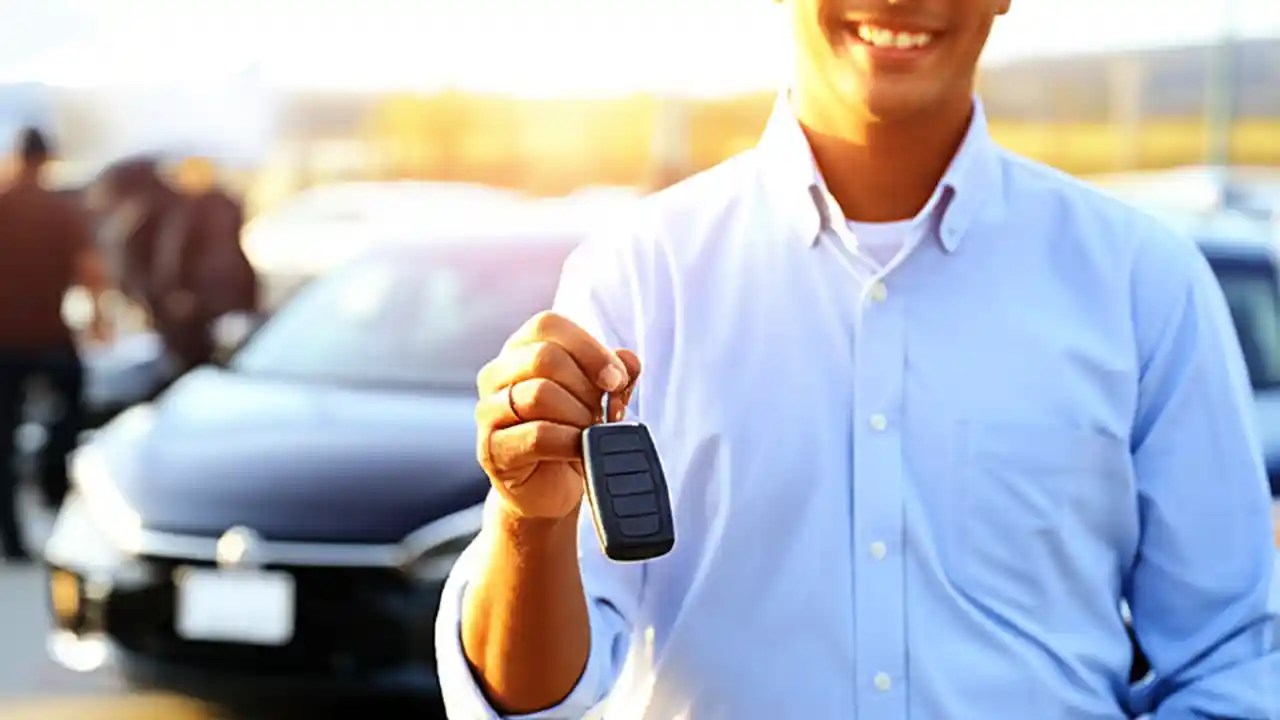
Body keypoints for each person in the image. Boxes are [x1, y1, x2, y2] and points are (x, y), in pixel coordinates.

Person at [438, 1, 1280, 718]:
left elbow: (1231, 655)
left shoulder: (1142, 280)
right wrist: (529, 522)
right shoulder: (637, 272)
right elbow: (530, 700)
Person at [0, 127, 109, 563]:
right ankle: (49, 468)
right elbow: (91, 271)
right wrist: (100, 319)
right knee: (72, 415)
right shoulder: (61, 211)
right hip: (49, 337)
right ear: (47, 160)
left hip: (6, 342)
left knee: (2, 442)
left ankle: (11, 536)